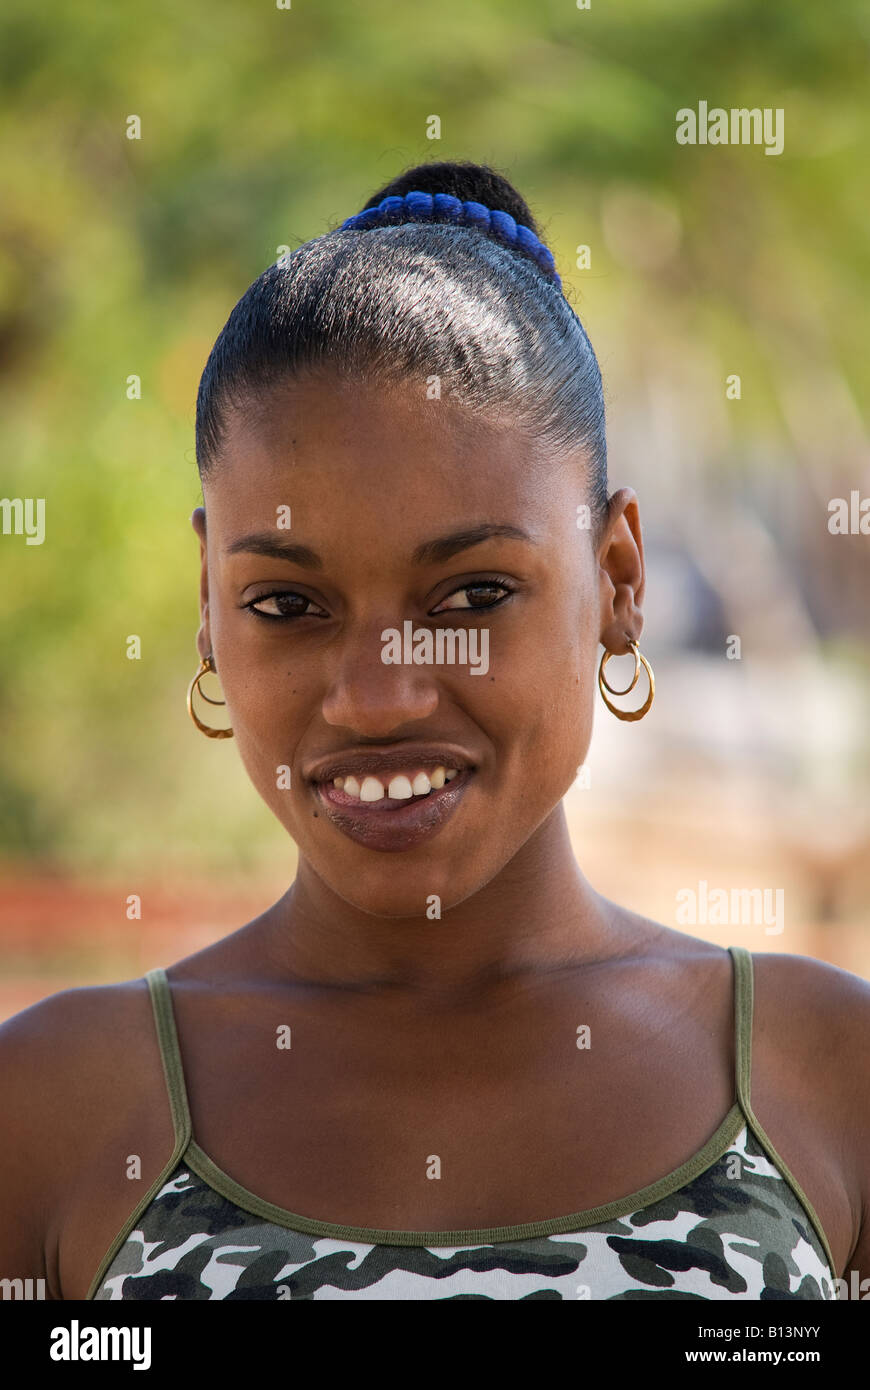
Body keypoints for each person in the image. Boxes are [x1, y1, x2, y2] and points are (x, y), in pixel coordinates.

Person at [1, 160, 868, 1301]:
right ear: (210, 605)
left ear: (616, 579)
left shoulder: (824, 1077)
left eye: (470, 596)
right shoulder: (54, 1112)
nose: (379, 696)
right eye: (288, 606)